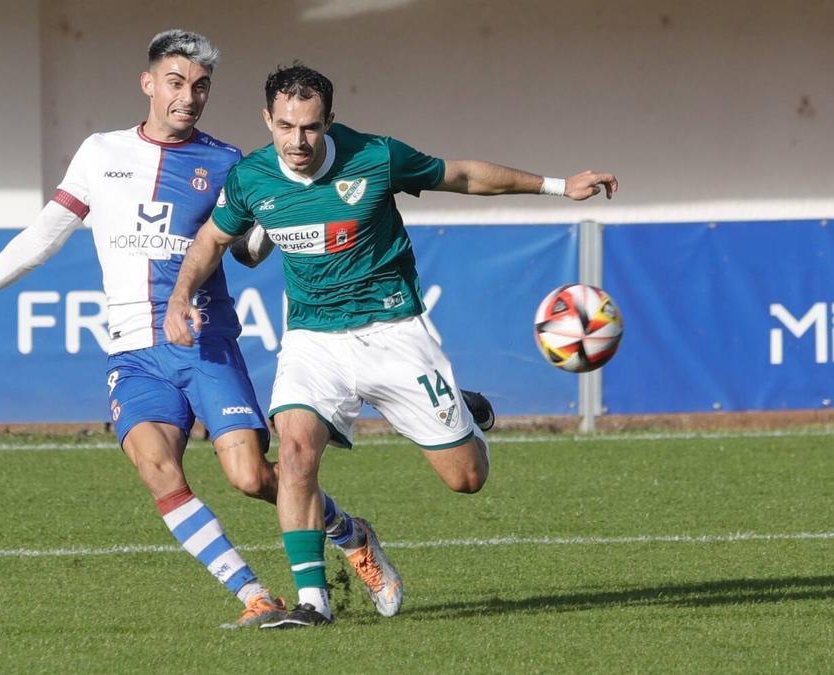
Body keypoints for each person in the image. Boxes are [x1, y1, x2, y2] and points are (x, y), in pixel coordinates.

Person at [0, 33, 400, 629]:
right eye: (176, 82)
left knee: (250, 477)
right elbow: (42, 237)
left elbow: (251, 254)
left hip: (205, 343)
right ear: (149, 83)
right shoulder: (98, 153)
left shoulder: (227, 162)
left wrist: (279, 212)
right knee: (158, 467)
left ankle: (348, 531)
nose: (189, 96)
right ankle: (254, 596)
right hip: (134, 353)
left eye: (201, 86)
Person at [164, 63, 618, 629]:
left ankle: (465, 414)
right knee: (297, 450)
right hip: (314, 338)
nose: (297, 141)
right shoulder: (253, 178)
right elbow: (214, 238)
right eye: (284, 127)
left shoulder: (375, 157)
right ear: (267, 120)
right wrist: (182, 296)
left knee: (465, 479)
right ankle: (313, 602)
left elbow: (464, 176)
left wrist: (556, 185)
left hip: (394, 333)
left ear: (329, 121)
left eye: (309, 127)